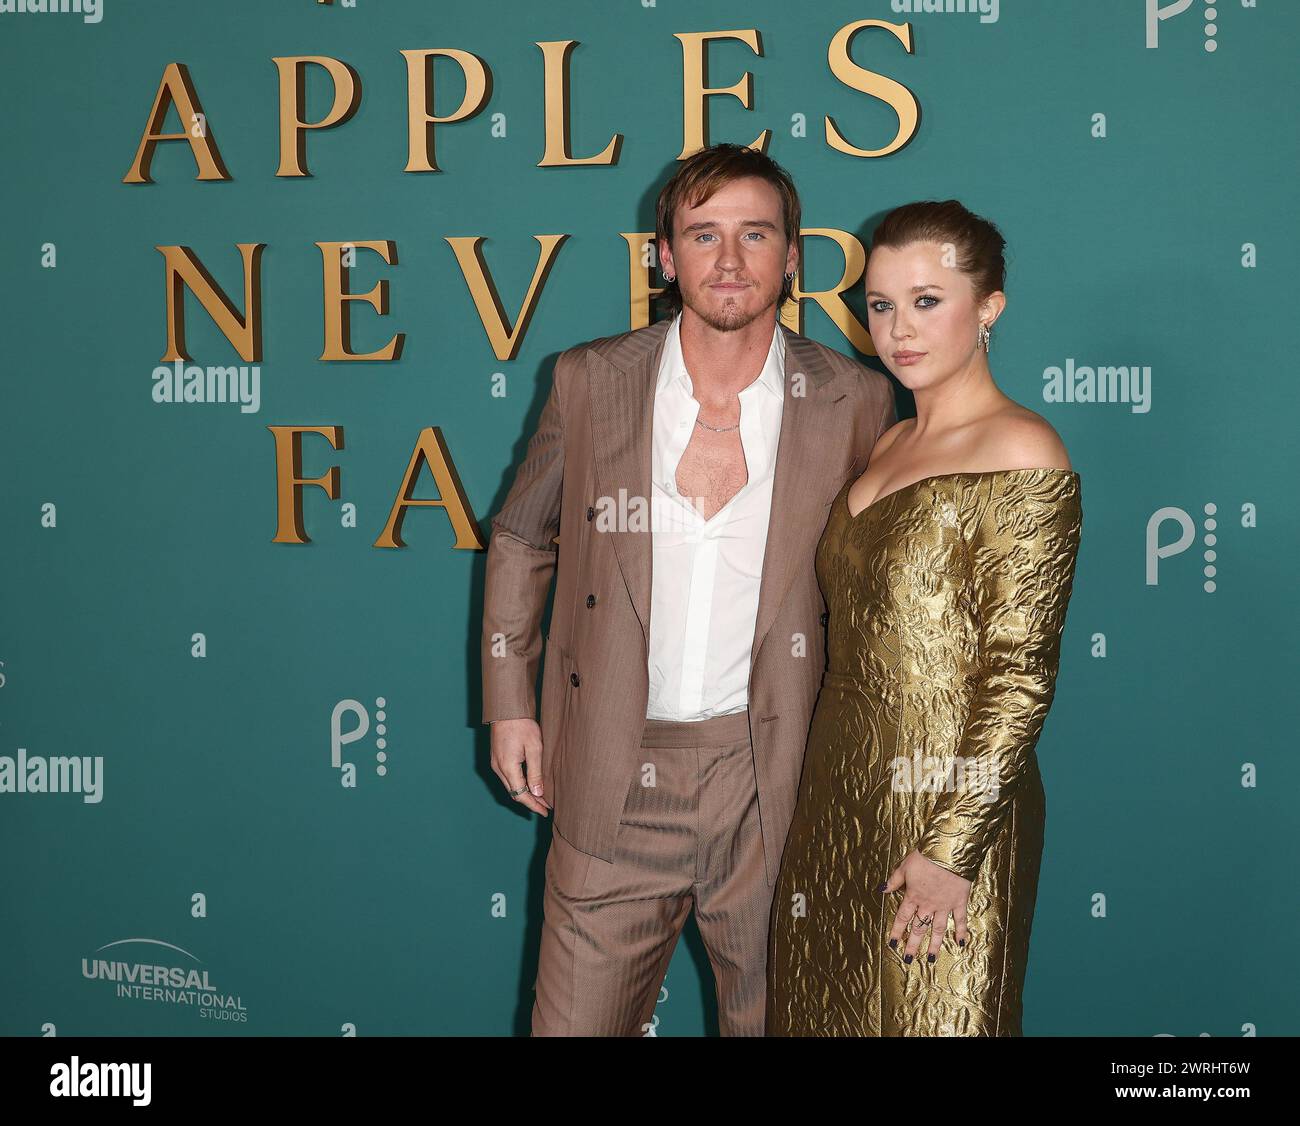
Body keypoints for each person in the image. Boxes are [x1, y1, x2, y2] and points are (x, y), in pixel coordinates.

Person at [480, 143, 895, 1035]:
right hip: (613, 767)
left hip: (776, 777)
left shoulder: (856, 400)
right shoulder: (592, 379)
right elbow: (521, 534)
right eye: (704, 235)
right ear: (665, 256)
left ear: (793, 256)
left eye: (756, 234)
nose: (730, 260)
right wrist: (511, 704)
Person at [766, 200, 1083, 1036]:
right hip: (838, 802)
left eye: (927, 300)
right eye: (880, 305)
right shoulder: (884, 447)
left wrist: (953, 848)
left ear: (989, 307)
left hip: (951, 811)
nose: (898, 329)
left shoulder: (1024, 448)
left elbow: (1019, 678)